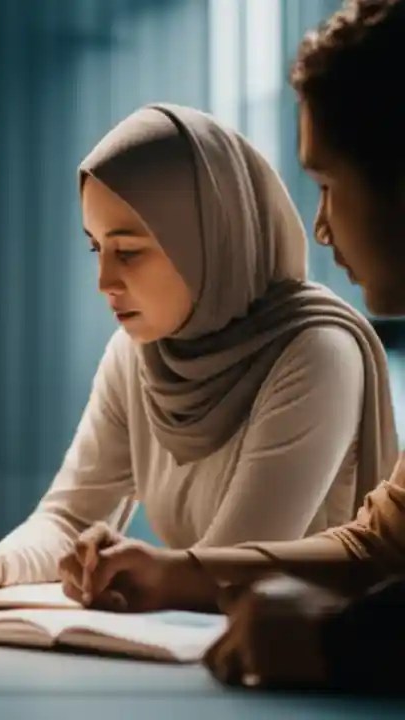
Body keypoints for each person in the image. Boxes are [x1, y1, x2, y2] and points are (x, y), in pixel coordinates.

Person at [58, 0, 405, 692]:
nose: (323, 228)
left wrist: (339, 643)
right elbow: (382, 549)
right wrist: (174, 573)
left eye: (330, 184)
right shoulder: (135, 355)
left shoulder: (314, 349)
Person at [0, 103, 397, 599]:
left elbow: (234, 565)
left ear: (208, 240)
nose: (104, 281)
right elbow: (71, 517)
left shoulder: (316, 352)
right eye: (96, 248)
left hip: (295, 663)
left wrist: (128, 573)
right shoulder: (138, 353)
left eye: (127, 251)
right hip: (200, 649)